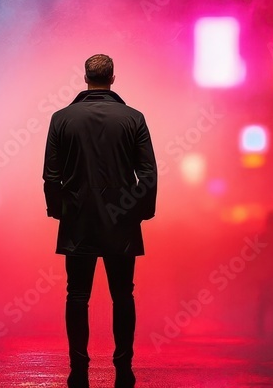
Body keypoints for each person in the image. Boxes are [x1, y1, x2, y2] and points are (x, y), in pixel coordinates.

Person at [43, 54, 157, 388]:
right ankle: (124, 366)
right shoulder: (133, 118)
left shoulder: (61, 118)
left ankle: (78, 367)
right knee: (123, 294)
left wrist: (59, 210)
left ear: (84, 78)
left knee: (77, 294)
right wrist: (140, 211)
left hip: (78, 219)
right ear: (113, 78)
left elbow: (51, 175)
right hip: (121, 219)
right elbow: (147, 173)